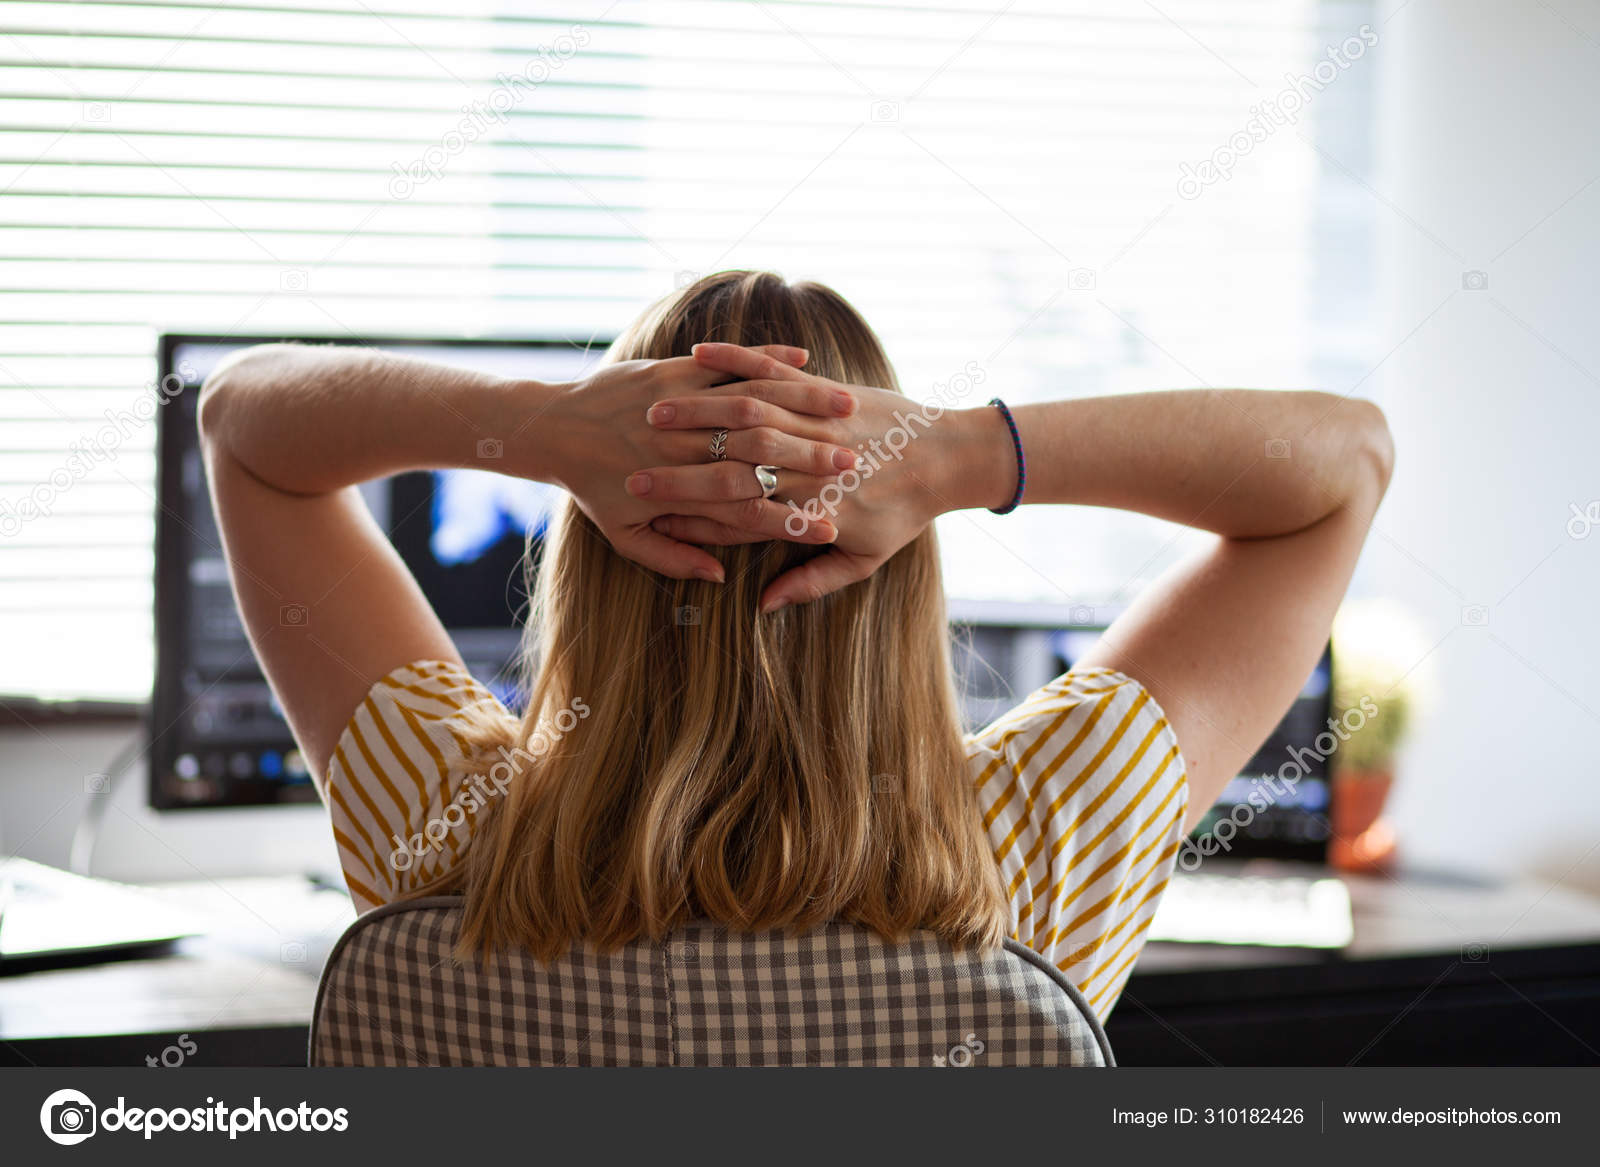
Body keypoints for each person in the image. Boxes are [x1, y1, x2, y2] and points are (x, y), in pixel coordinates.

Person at [198, 270, 1392, 1020]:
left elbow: (242, 421)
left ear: (588, 549)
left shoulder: (443, 821)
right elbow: (1345, 463)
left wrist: (544, 425)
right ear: (898, 560)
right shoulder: (1038, 846)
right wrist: (958, 454)